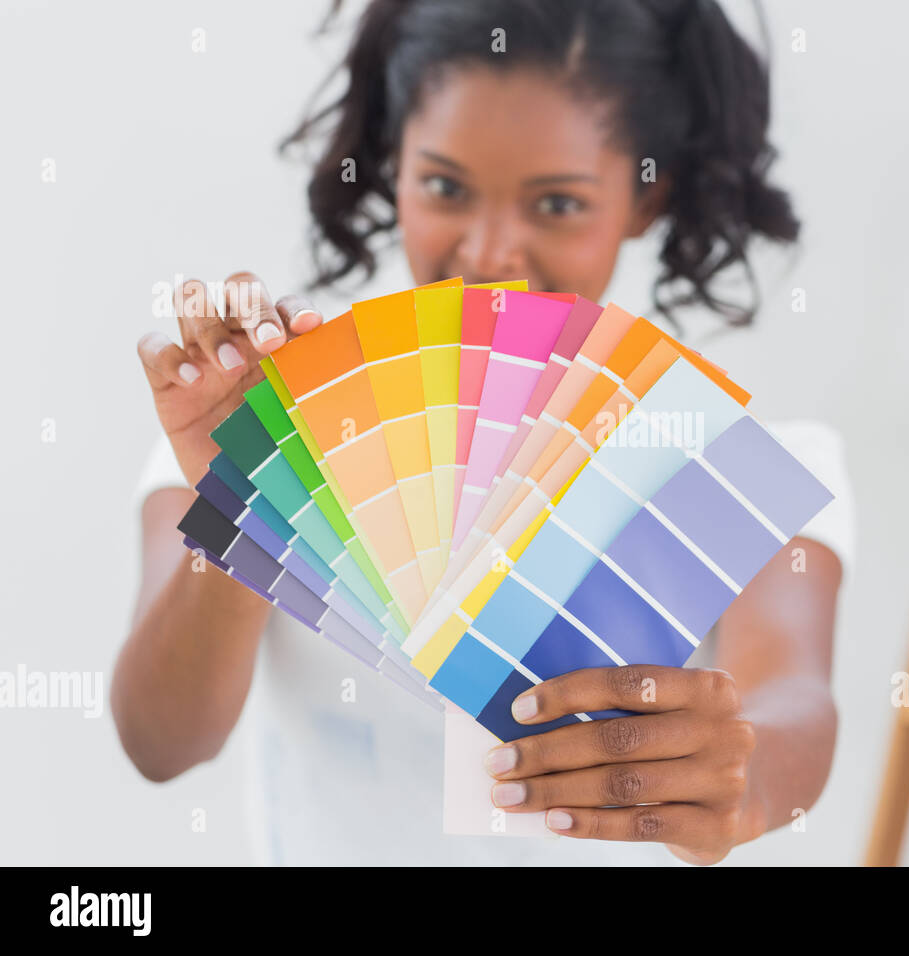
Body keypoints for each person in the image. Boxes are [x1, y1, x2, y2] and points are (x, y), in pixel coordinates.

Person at [118, 0, 854, 866]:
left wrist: (746, 775)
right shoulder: (262, 418)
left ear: (645, 197)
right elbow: (160, 743)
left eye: (557, 203)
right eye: (445, 187)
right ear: (393, 168)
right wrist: (253, 503)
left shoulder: (732, 460)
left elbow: (796, 703)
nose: (492, 251)